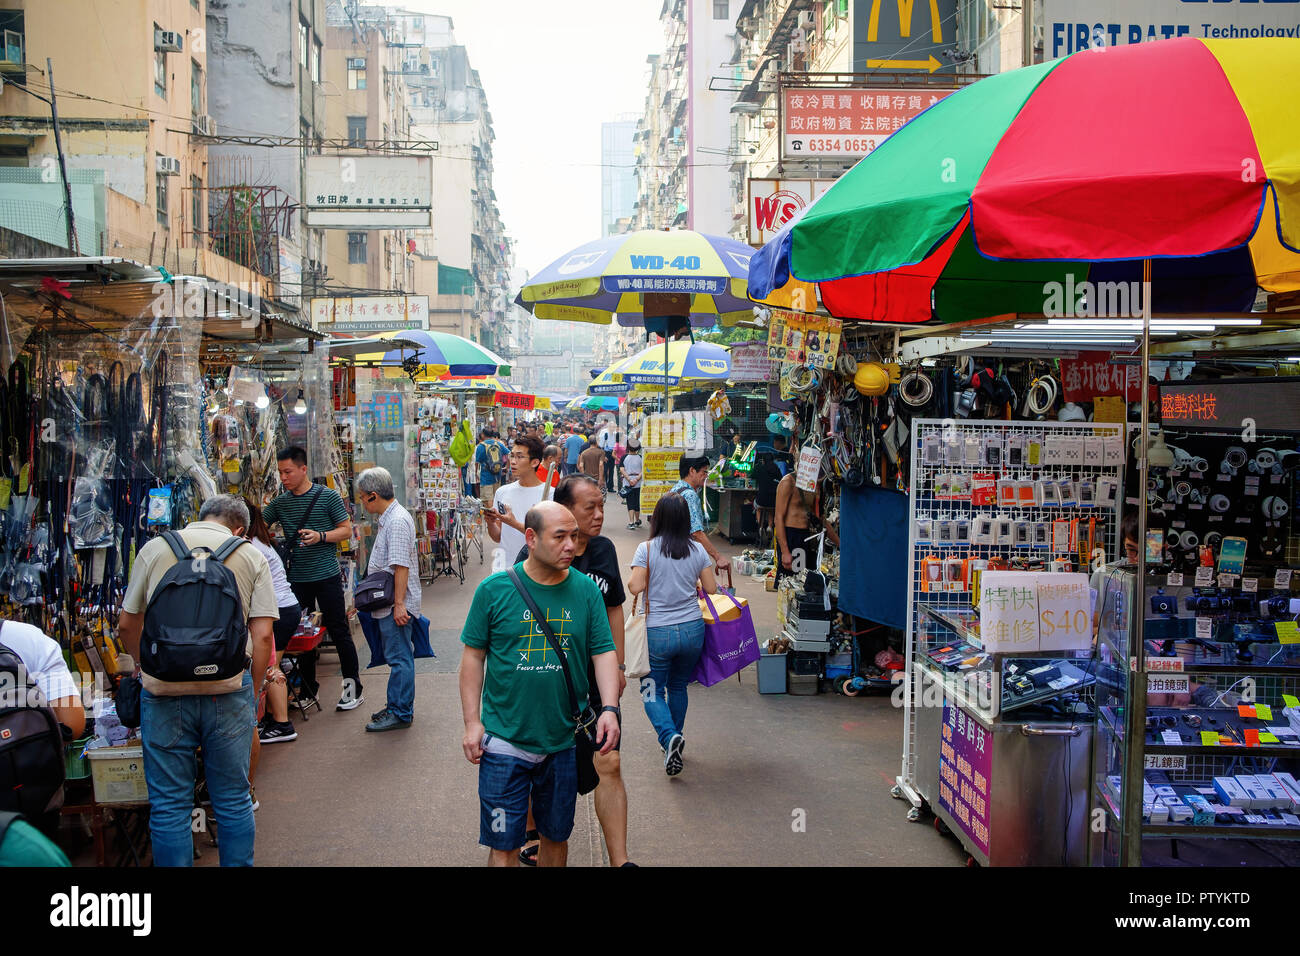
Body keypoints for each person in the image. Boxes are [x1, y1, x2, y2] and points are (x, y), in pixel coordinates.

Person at [117, 495, 277, 867]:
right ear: (239, 528)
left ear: (198, 519)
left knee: (170, 804)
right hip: (228, 689)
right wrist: (252, 692)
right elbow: (265, 635)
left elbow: (127, 624)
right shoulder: (250, 555)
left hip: (163, 693)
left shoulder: (155, 549)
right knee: (233, 798)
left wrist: (147, 667)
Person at [459, 501, 621, 867]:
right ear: (530, 538)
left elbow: (603, 652)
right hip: (503, 741)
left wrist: (609, 708)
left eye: (574, 537)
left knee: (555, 837)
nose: (570, 546)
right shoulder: (494, 590)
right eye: (560, 536)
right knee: (503, 844)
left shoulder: (586, 591)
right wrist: (472, 723)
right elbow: (473, 658)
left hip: (562, 742)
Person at [514, 475, 633, 867]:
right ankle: (533, 834)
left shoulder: (603, 550)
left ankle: (620, 860)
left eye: (602, 506)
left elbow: (614, 606)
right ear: (564, 510)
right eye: (590, 508)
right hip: (547, 680)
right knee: (539, 760)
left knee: (609, 760)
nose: (600, 515)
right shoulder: (531, 557)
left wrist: (616, 664)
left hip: (594, 679)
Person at [261, 447, 362, 712]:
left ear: (303, 469)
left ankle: (352, 690)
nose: (283, 478)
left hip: (327, 574)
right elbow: (258, 524)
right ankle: (307, 690)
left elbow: (345, 530)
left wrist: (320, 536)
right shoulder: (280, 503)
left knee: (338, 631)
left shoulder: (328, 497)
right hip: (296, 579)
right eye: (280, 472)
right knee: (300, 634)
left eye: (288, 472)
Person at [627, 493, 718, 777]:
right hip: (692, 629)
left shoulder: (647, 549)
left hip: (658, 631)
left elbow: (634, 587)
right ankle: (675, 737)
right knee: (678, 687)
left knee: (652, 689)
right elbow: (712, 589)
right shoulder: (698, 551)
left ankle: (668, 738)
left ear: (659, 518)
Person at [356, 467, 422, 732]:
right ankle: (396, 705)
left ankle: (401, 711)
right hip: (392, 602)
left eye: (362, 497)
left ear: (373, 495)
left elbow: (400, 565)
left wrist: (399, 604)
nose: (361, 502)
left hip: (395, 603)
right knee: (398, 656)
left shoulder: (395, 521)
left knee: (399, 657)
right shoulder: (391, 518)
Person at [244, 500, 300, 749]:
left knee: (271, 665)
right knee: (271, 664)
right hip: (283, 608)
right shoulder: (259, 542)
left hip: (279, 610)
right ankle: (276, 719)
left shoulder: (252, 547)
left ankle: (282, 723)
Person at [485, 434, 548, 567]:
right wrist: (490, 523)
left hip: (536, 570)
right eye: (512, 455)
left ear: (535, 462)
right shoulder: (502, 492)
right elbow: (498, 537)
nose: (513, 461)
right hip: (505, 569)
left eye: (520, 457)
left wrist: (513, 523)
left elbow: (546, 538)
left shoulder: (550, 495)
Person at [775, 471, 841, 579]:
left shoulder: (817, 485)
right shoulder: (788, 482)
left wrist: (840, 544)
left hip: (810, 539)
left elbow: (821, 520)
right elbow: (778, 518)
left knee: (809, 583)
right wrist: (785, 552)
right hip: (793, 538)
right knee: (792, 583)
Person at [671, 455, 723, 568]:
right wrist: (718, 557)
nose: (706, 476)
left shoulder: (676, 488)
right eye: (704, 472)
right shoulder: (689, 495)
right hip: (683, 555)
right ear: (692, 471)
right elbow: (696, 533)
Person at [755, 434, 793, 543]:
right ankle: (770, 527)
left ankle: (761, 526)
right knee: (771, 509)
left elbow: (754, 477)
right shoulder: (776, 468)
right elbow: (781, 480)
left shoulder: (760, 468)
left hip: (761, 500)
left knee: (757, 506)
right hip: (773, 500)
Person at [476, 428, 509, 508]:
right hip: (497, 475)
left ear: (483, 434)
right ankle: (496, 515)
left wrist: (475, 473)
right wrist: (507, 467)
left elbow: (477, 462)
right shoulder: (498, 444)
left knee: (488, 499)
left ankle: (492, 517)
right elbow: (509, 454)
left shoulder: (481, 446)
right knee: (495, 497)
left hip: (486, 476)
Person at [621, 440, 644, 530]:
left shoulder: (624, 457)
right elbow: (643, 470)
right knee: (637, 501)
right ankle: (637, 520)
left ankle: (631, 522)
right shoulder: (641, 457)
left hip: (628, 483)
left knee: (630, 502)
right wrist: (637, 479)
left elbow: (622, 470)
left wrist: (630, 480)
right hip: (638, 483)